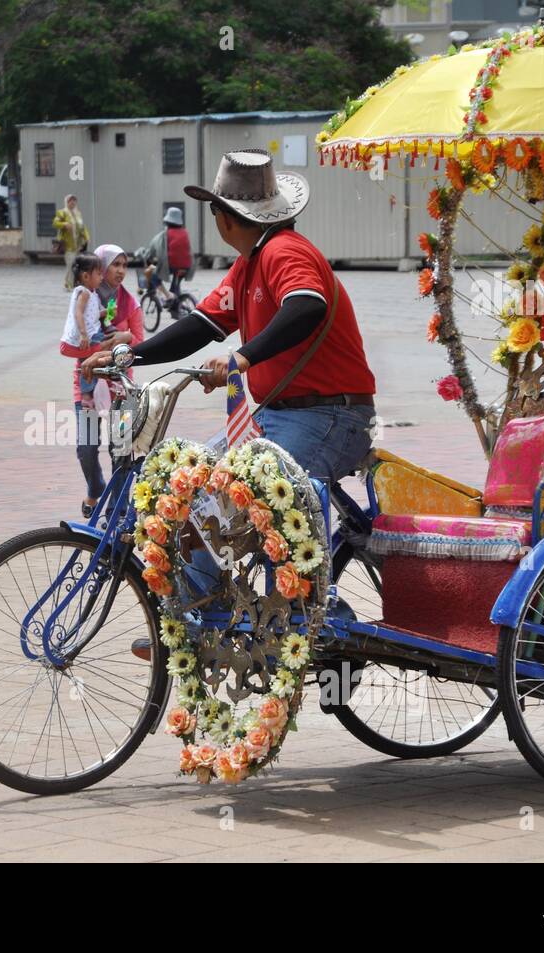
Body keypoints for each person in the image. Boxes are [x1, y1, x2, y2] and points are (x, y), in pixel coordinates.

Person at [83, 150, 377, 647]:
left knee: (222, 495)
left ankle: (320, 618)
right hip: (284, 418)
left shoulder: (285, 252)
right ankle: (205, 615)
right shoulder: (248, 266)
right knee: (188, 484)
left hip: (329, 416)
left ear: (224, 217)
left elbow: (307, 306)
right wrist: (130, 356)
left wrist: (242, 359)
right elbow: (200, 326)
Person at [60, 244, 143, 516]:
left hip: (122, 389)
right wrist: (97, 351)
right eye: (114, 265)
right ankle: (95, 488)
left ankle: (116, 511)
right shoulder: (84, 299)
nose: (120, 271)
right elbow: (71, 344)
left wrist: (126, 338)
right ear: (98, 270)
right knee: (86, 448)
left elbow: (141, 346)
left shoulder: (131, 304)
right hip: (86, 387)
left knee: (120, 450)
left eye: (124, 265)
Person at [60, 254, 106, 397]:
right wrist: (83, 334)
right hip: (85, 336)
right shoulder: (84, 293)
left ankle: (90, 389)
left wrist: (106, 312)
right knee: (87, 362)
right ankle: (87, 393)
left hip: (91, 334)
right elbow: (78, 313)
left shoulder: (93, 294)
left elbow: (92, 315)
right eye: (99, 274)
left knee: (90, 360)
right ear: (86, 276)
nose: (102, 278)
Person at [144, 206, 195, 301]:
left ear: (167, 221)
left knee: (153, 276)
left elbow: (153, 250)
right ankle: (177, 305)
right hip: (187, 267)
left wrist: (149, 258)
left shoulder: (164, 235)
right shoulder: (185, 232)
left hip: (172, 266)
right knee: (175, 286)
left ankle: (168, 296)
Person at [53, 194, 90, 290]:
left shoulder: (78, 213)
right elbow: (55, 223)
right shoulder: (62, 213)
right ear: (67, 202)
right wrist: (64, 224)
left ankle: (69, 282)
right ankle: (70, 284)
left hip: (79, 244)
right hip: (68, 244)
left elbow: (82, 227)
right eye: (70, 201)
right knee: (70, 264)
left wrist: (86, 236)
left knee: (76, 264)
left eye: (74, 201)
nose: (72, 203)